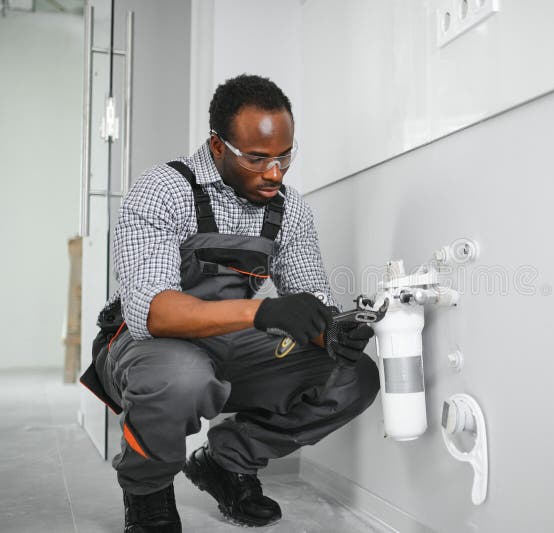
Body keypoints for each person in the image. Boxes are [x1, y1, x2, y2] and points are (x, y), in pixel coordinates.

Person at [80, 74, 379, 532]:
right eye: (258, 158)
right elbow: (153, 314)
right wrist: (261, 311)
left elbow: (312, 299)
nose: (275, 173)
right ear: (218, 146)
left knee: (352, 376)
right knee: (181, 374)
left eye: (284, 157)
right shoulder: (164, 189)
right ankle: (148, 493)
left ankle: (226, 461)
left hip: (229, 342)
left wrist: (333, 331)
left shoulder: (289, 209)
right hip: (142, 348)